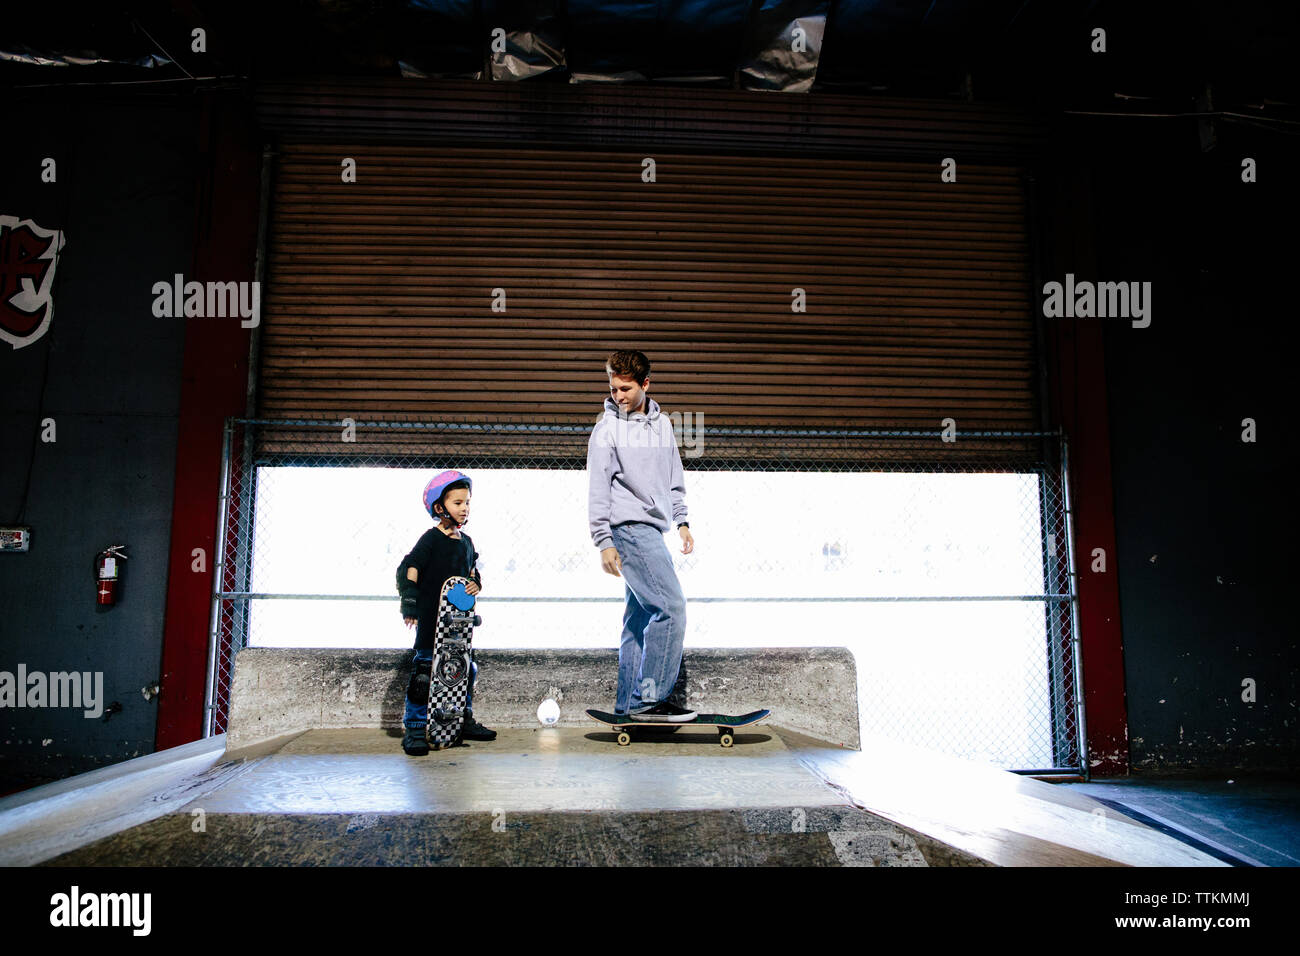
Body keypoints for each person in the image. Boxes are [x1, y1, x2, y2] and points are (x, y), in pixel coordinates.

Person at [587, 349, 697, 722]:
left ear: (646, 384)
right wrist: (603, 541)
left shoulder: (663, 425)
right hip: (629, 530)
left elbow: (673, 477)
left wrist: (681, 521)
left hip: (654, 528)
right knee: (671, 609)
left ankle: (628, 706)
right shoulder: (606, 431)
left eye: (626, 389)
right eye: (613, 388)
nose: (618, 396)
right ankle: (649, 699)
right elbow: (598, 489)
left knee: (638, 620)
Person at [396, 469, 496, 755]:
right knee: (424, 674)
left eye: (467, 503)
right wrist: (410, 604)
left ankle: (460, 720)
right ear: (440, 508)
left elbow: (472, 573)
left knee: (465, 671)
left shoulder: (466, 543)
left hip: (458, 625)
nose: (464, 508)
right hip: (431, 619)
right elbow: (409, 569)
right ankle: (414, 729)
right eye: (458, 503)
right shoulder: (430, 539)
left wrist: (476, 583)